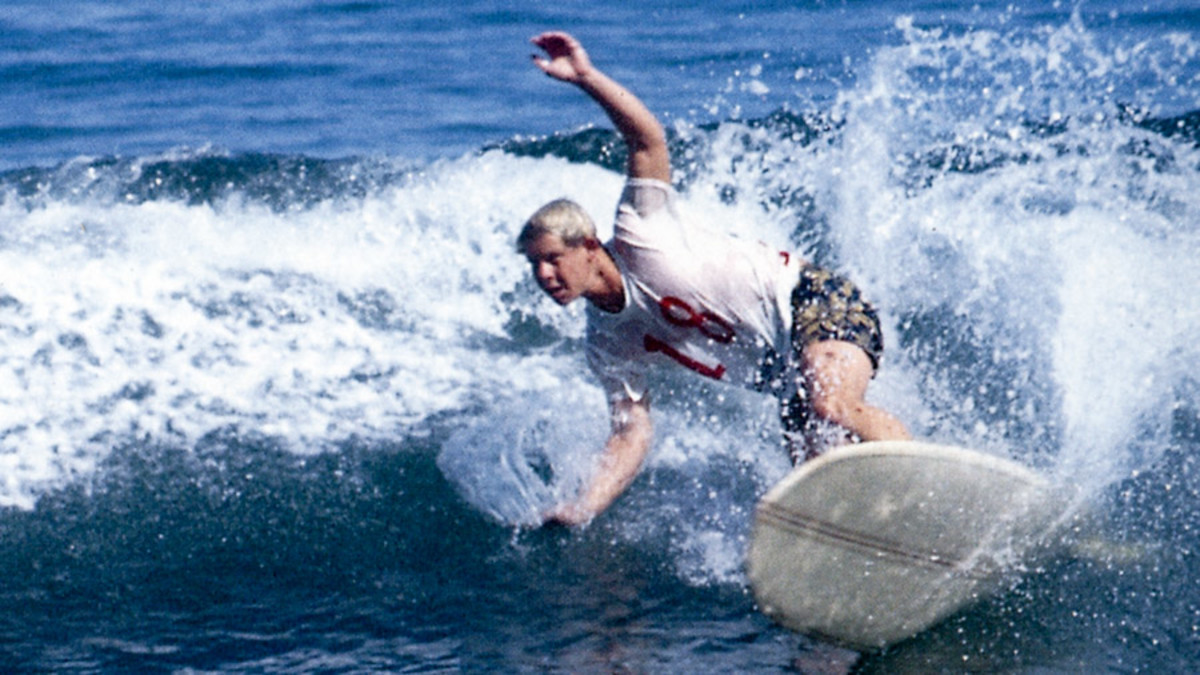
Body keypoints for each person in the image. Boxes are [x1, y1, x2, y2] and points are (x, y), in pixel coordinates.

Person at [520, 31, 910, 527]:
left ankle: (937, 486)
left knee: (831, 403)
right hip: (782, 371)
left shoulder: (641, 231)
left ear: (590, 246)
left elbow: (646, 141)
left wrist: (586, 79)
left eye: (552, 258)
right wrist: (583, 507)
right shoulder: (607, 342)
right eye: (534, 265)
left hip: (812, 301)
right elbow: (629, 434)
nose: (543, 274)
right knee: (818, 492)